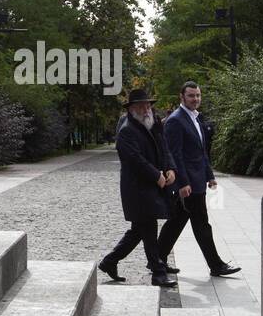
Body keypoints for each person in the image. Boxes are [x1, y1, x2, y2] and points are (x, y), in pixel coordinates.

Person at [157, 80, 241, 278]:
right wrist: (182, 183)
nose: (195, 99)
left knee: (176, 222)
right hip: (188, 185)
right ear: (182, 97)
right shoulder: (176, 120)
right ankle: (216, 265)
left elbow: (201, 151)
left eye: (198, 95)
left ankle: (157, 259)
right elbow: (174, 155)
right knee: (201, 224)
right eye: (191, 96)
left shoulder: (196, 118)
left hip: (197, 181)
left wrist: (210, 176)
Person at [99, 88, 180, 287]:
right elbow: (135, 160)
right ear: (132, 108)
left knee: (139, 230)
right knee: (149, 229)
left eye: (148, 105)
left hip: (153, 186)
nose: (146, 109)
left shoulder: (154, 123)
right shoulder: (126, 130)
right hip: (137, 189)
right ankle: (158, 273)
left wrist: (170, 168)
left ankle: (109, 261)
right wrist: (157, 176)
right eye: (141, 105)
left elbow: (164, 148)